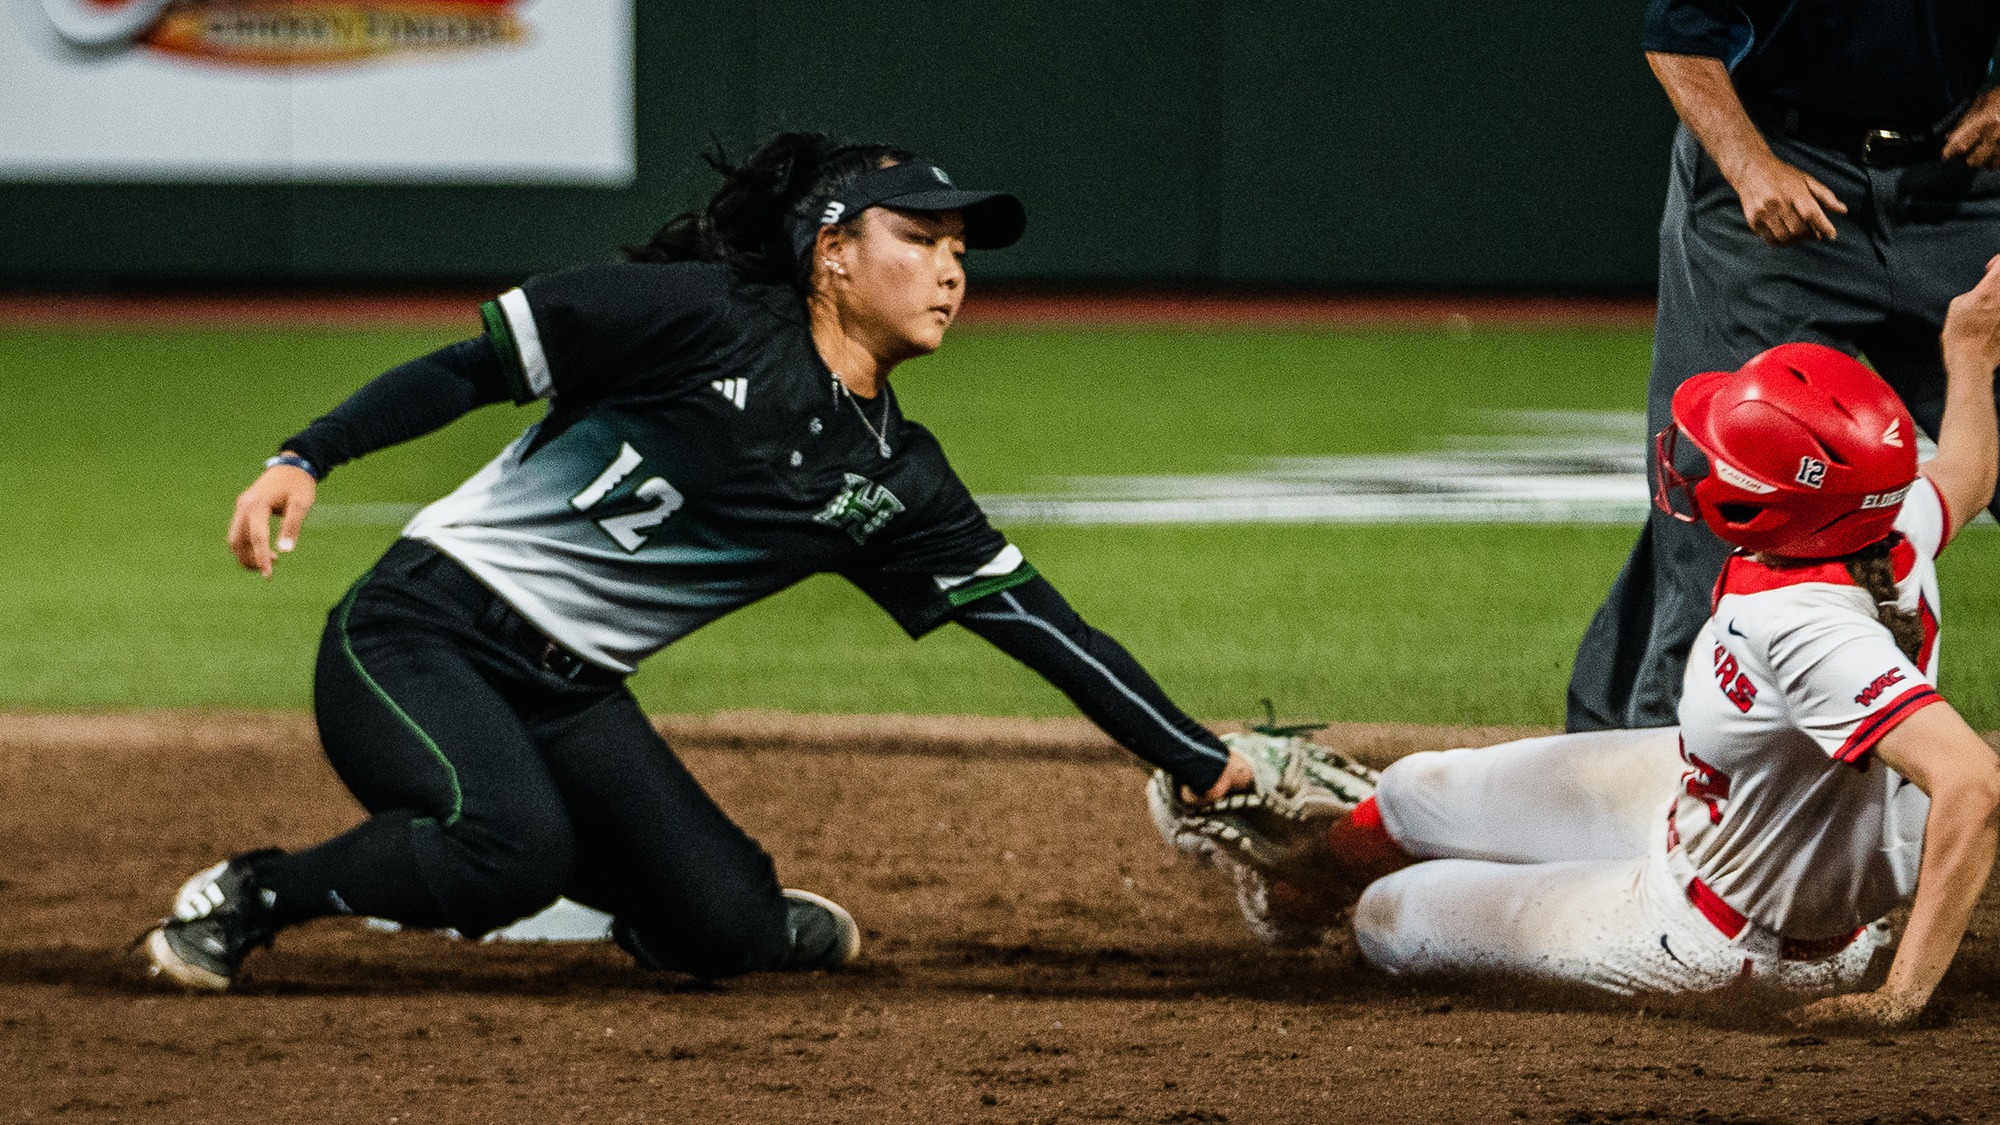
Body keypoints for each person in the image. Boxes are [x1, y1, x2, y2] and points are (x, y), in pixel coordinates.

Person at [142, 133, 1253, 992]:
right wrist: (308, 454)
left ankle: (652, 895)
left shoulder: (897, 480)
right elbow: (469, 368)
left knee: (730, 930)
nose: (948, 271)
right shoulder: (698, 318)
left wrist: (1196, 759)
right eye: (917, 239)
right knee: (507, 855)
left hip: (570, 695)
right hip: (418, 634)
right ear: (830, 254)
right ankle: (252, 894)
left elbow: (1041, 629)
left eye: (957, 250)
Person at [1172, 260, 2000, 1027]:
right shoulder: (1881, 524)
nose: (1700, 454)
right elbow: (1966, 472)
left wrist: (1902, 996)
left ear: (1771, 504)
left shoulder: (1808, 626)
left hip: (1723, 935)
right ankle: (1298, 882)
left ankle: (1343, 887)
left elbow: (1973, 783)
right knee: (1416, 789)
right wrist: (1967, 351)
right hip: (1721, 809)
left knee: (1391, 917)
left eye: (1725, 455)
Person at [1567, 0, 2000, 731]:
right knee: (1724, 484)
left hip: (1959, 184)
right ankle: (1654, 766)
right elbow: (1680, 35)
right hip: (1776, 169)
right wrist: (1748, 166)